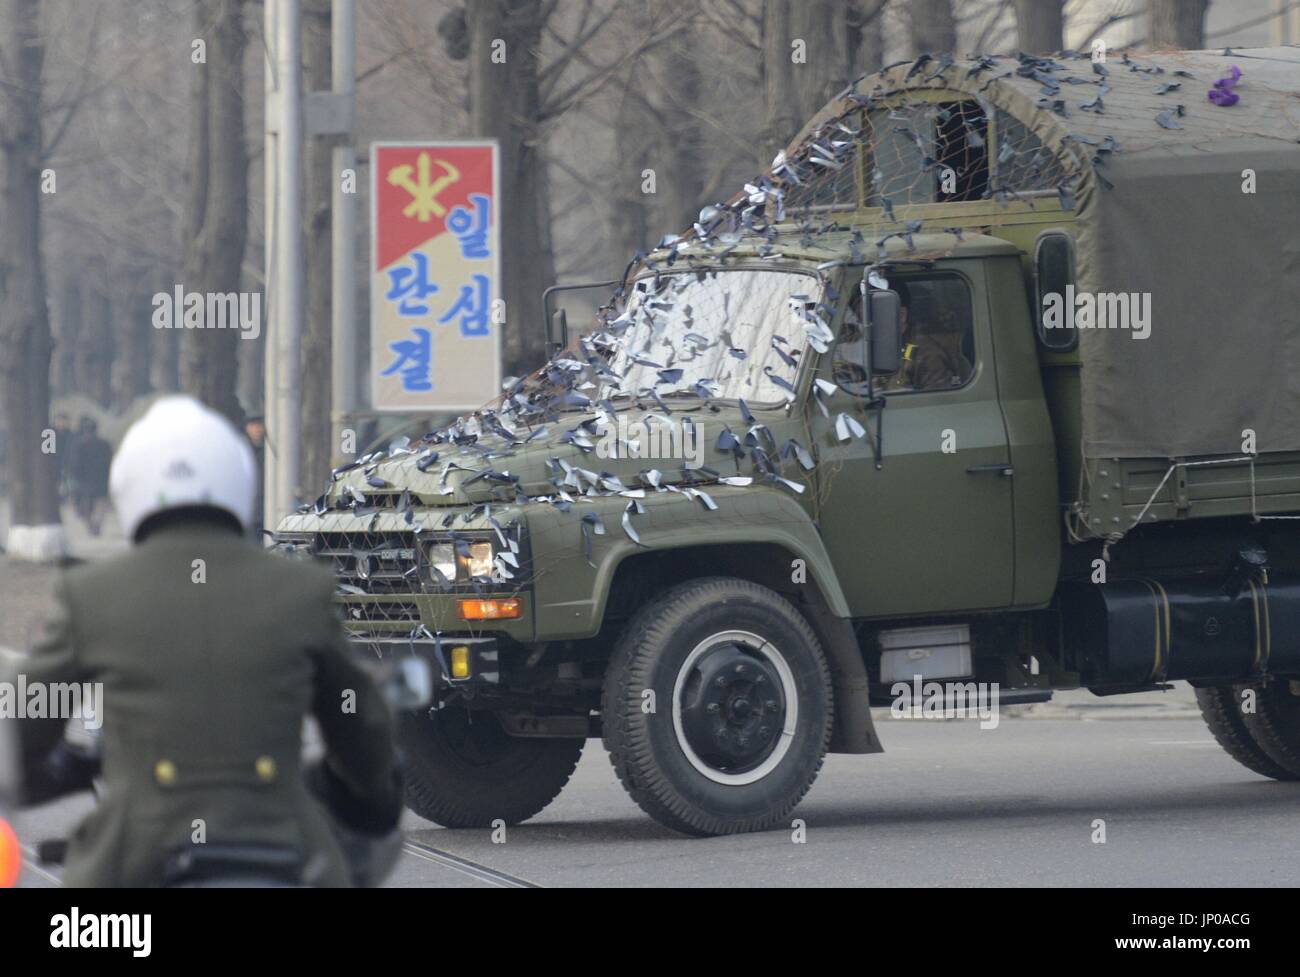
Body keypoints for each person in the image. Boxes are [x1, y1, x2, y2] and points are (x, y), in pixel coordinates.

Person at [5, 396, 401, 887]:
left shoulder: (91, 594)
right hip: (285, 853)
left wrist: (64, 769)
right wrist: (369, 798)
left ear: (129, 484)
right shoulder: (301, 590)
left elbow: (20, 729)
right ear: (237, 479)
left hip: (136, 861)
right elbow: (362, 726)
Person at [67, 417, 112, 535]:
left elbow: (74, 464)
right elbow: (110, 462)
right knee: (99, 505)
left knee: (86, 506)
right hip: (101, 480)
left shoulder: (78, 444)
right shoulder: (105, 444)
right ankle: (95, 525)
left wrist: (74, 477)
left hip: (85, 481)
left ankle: (92, 525)